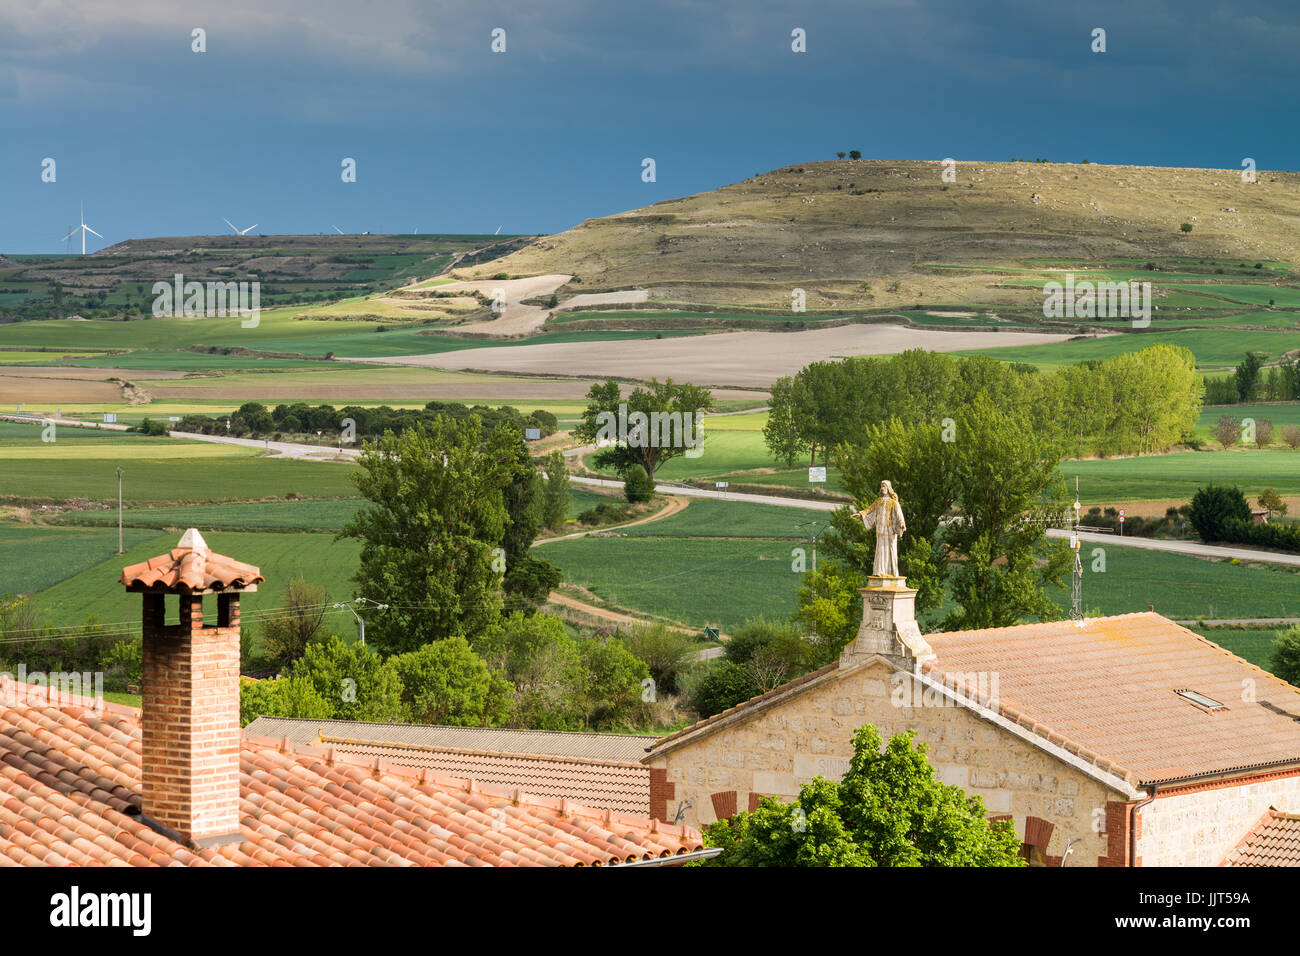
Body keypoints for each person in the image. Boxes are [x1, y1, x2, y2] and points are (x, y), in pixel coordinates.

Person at [854, 479, 906, 576]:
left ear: (889, 488)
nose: (882, 488)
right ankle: (879, 571)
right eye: (881, 486)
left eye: (884, 486)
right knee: (880, 550)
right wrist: (860, 514)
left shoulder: (893, 502)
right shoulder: (878, 501)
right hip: (880, 530)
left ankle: (891, 572)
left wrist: (901, 524)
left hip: (890, 530)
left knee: (891, 549)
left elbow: (899, 514)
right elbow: (869, 510)